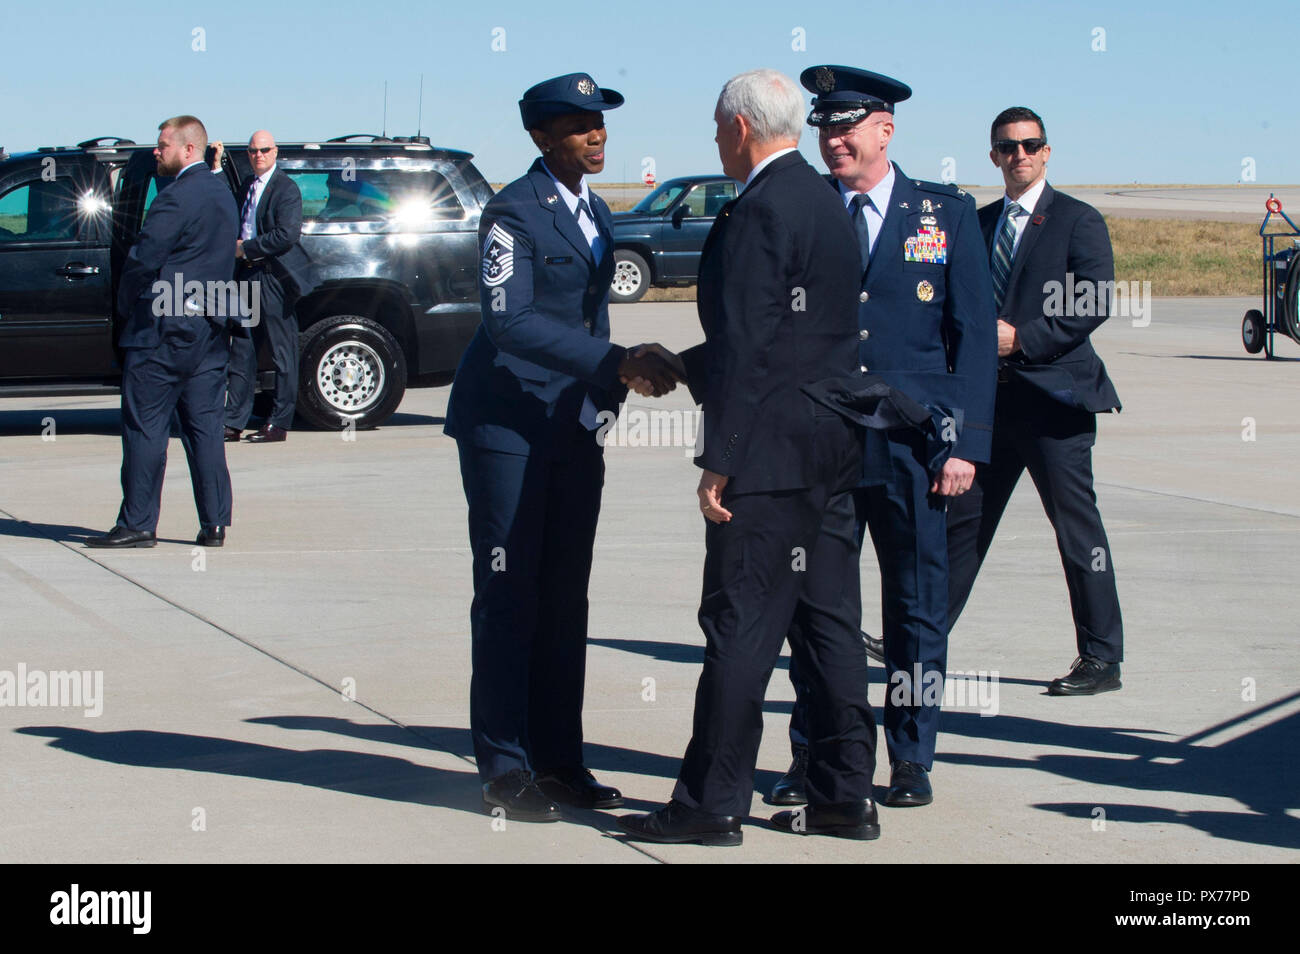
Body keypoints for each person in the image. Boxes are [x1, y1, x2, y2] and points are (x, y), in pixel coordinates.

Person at [618, 69, 882, 846]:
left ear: (739, 127)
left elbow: (755, 349)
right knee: (829, 626)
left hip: (769, 456)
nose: (715, 140)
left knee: (740, 623)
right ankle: (843, 795)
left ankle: (710, 804)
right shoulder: (825, 201)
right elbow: (789, 339)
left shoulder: (761, 208)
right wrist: (684, 366)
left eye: (716, 128)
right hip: (830, 448)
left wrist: (722, 459)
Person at [443, 73, 679, 822]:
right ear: (542, 136)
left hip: (571, 425)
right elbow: (508, 321)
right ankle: (505, 766)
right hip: (507, 425)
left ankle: (559, 760)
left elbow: (588, 316)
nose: (596, 134)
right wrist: (613, 364)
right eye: (578, 125)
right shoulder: (514, 211)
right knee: (509, 593)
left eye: (600, 122)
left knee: (565, 597)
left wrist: (607, 392)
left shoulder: (594, 211)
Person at [775, 66, 998, 809]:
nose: (833, 141)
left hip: (912, 444)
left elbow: (972, 338)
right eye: (824, 129)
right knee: (818, 608)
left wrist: (966, 443)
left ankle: (911, 756)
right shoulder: (808, 209)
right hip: (825, 441)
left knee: (916, 607)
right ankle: (815, 753)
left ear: (885, 129)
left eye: (847, 128)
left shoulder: (945, 214)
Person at [946, 106, 1124, 695]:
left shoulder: (1077, 220)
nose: (1018, 155)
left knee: (1077, 532)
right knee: (962, 526)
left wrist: (1022, 338)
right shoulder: (977, 222)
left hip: (1054, 401)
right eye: (1007, 146)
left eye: (1029, 144)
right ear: (993, 155)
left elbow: (1093, 300)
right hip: (989, 406)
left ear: (1046, 151)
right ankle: (920, 635)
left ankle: (1101, 657)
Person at [87, 115, 239, 549]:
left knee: (145, 425)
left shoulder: (175, 196)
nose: (156, 151)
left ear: (189, 149)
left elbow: (143, 259)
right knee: (204, 428)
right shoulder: (223, 193)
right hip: (210, 326)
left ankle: (138, 523)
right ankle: (214, 523)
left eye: (163, 144)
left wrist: (125, 307)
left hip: (163, 327)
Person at [222, 131, 313, 443]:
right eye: (252, 151)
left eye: (264, 150)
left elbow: (287, 234)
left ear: (275, 152)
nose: (258, 155)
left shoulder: (286, 188)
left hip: (273, 276)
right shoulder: (247, 185)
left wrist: (245, 248)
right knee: (242, 349)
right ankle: (233, 421)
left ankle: (279, 422)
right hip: (246, 276)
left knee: (281, 352)